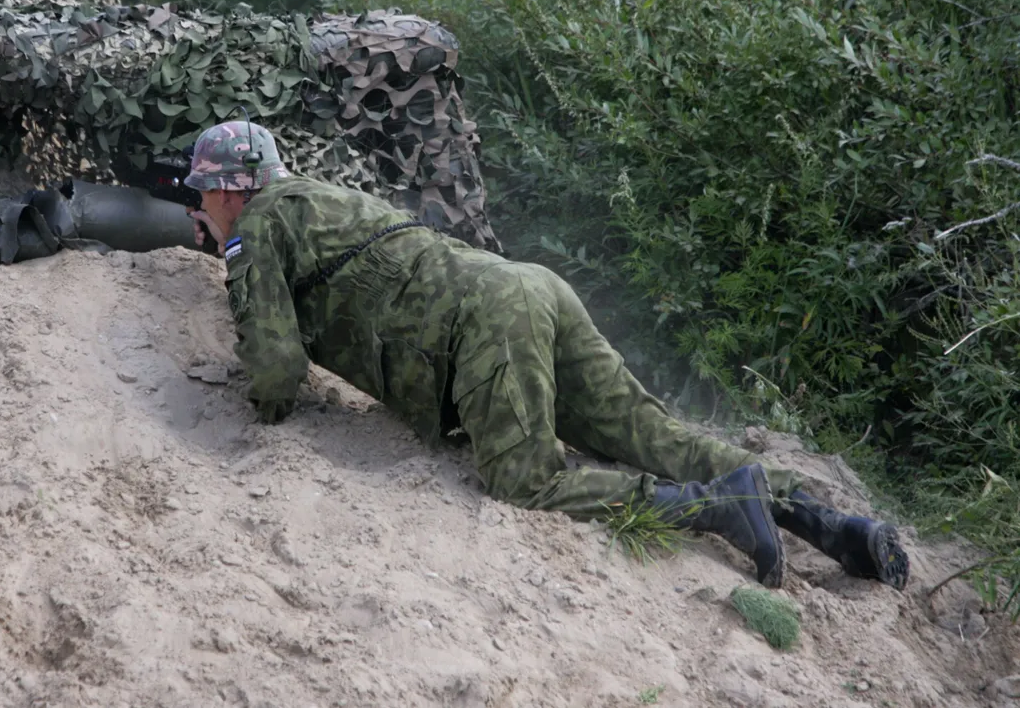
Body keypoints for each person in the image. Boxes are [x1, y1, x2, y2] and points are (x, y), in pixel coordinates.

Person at [183, 120, 910, 590]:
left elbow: (277, 371)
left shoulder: (258, 230)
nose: (206, 213)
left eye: (204, 197)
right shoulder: (320, 197)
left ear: (226, 191)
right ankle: (835, 526)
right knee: (652, 434)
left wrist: (252, 388)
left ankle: (718, 507)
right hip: (527, 286)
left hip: (488, 326)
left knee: (524, 481)